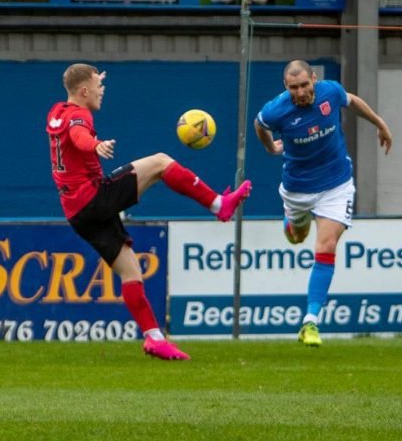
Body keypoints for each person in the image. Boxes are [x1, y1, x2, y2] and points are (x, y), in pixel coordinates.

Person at [47, 64, 252, 360]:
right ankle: (219, 205)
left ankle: (154, 338)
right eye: (97, 86)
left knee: (130, 271)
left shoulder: (57, 112)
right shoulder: (80, 115)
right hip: (93, 198)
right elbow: (79, 136)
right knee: (160, 162)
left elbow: (72, 125)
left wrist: (92, 78)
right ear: (83, 92)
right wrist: (97, 145)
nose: (102, 90)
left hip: (77, 213)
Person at [254, 60, 393, 347]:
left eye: (305, 84)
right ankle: (294, 223)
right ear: (286, 87)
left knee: (326, 245)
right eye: (294, 87)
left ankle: (310, 321)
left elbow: (352, 101)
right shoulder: (276, 110)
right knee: (297, 237)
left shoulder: (330, 91)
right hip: (297, 190)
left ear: (313, 79)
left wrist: (379, 123)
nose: (301, 92)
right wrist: (270, 147)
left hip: (336, 185)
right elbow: (259, 124)